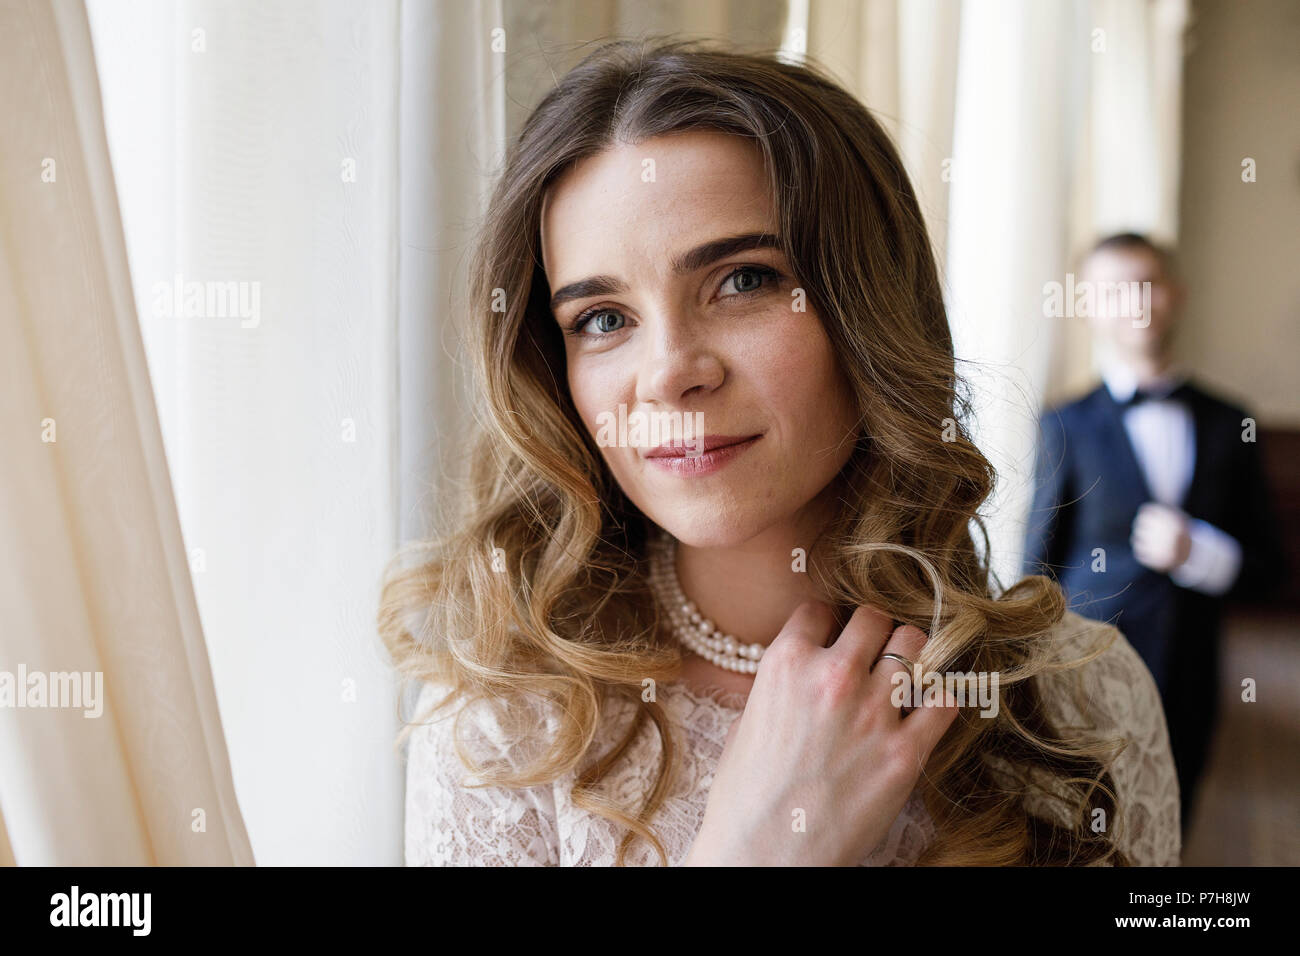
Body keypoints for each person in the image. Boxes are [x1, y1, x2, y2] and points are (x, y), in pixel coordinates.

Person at [381, 38, 1180, 866]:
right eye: (603, 319)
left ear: (868, 307)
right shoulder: (505, 727)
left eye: (742, 280)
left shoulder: (1090, 697)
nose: (669, 375)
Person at [1023, 232, 1286, 834]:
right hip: (1085, 675)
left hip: (1189, 673)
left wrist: (1202, 554)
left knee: (1170, 824)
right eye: (1114, 291)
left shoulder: (1233, 423)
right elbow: (1036, 564)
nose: (1135, 302)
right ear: (1087, 306)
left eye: (1148, 284)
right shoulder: (1066, 423)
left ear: (1177, 295)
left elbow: (1271, 570)